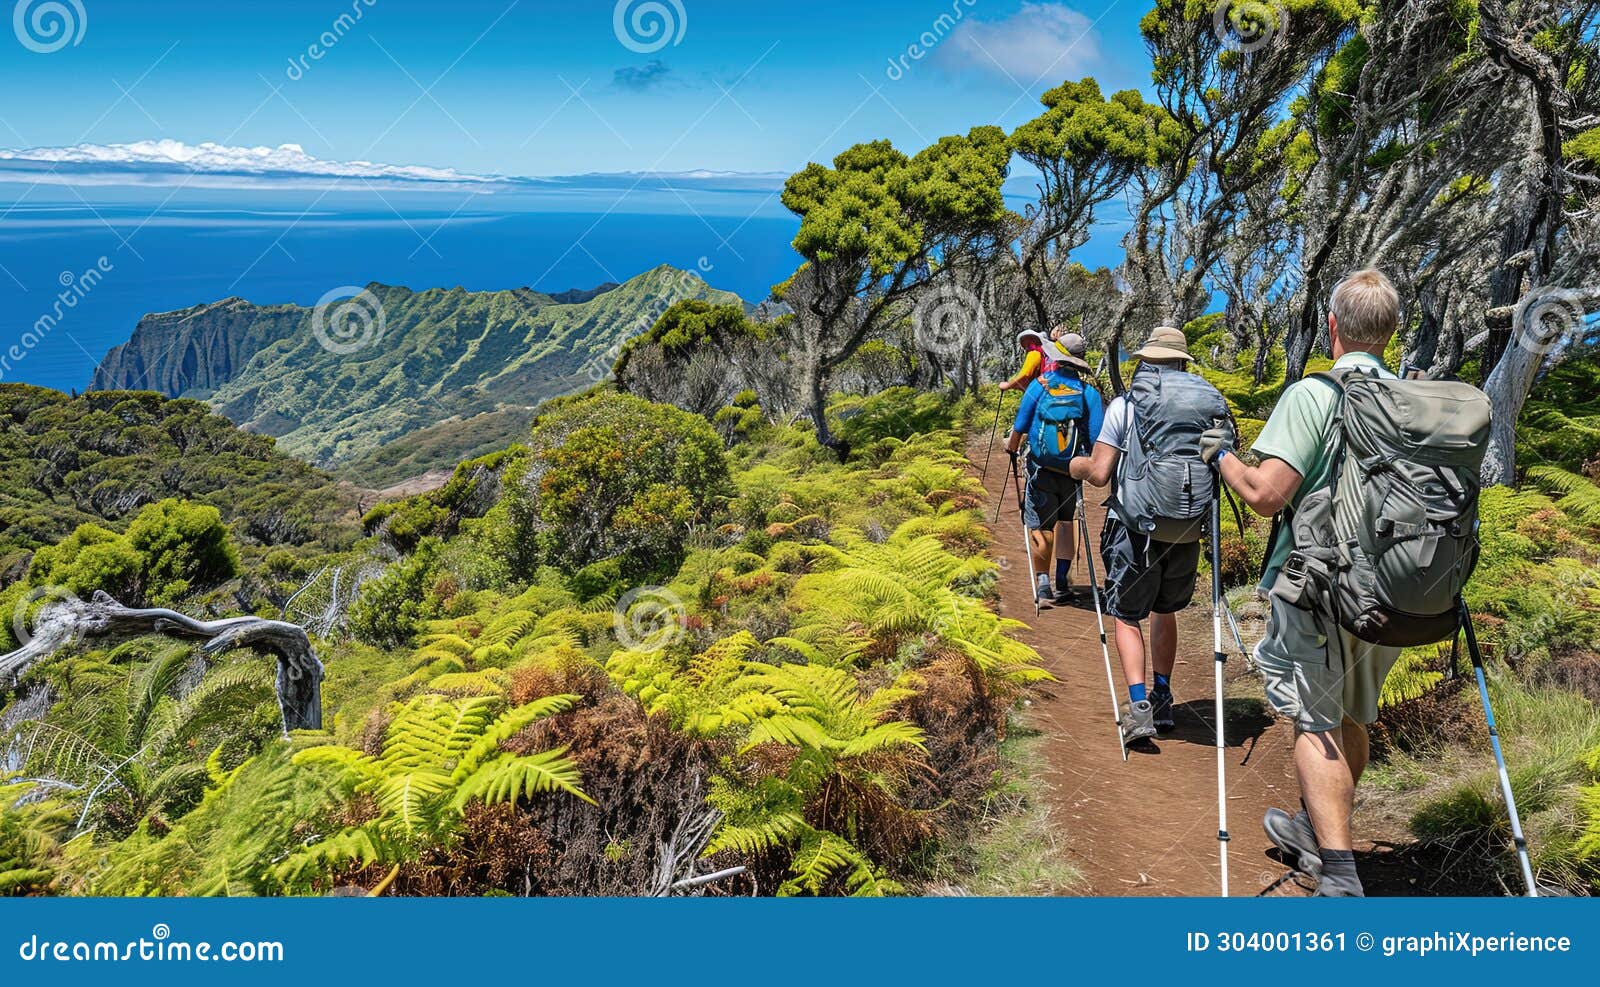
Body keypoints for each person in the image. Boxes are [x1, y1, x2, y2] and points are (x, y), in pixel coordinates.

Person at [1199, 269, 1406, 897]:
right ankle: (1315, 827)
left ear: (1333, 326)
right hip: (1392, 589)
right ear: (1391, 331)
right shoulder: (1413, 399)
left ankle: (1338, 873)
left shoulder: (1313, 394)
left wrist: (1222, 456)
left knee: (1316, 719)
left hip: (1319, 584)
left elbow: (1266, 495)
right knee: (1351, 714)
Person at [1068, 326, 1209, 742]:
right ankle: (1162, 696)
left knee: (1127, 615)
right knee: (1166, 611)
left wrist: (1075, 465)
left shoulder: (1125, 406)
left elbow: (1099, 474)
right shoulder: (1204, 409)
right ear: (1182, 364)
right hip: (1185, 531)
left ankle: (1138, 709)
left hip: (1135, 530)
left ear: (1147, 362)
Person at [1004, 333, 1104, 606]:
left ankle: (1044, 585)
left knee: (1041, 524)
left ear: (1056, 358)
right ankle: (1063, 583)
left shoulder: (1040, 386)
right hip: (1072, 471)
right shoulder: (1088, 393)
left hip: (1041, 469)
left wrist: (1011, 449)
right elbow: (1096, 438)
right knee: (1066, 523)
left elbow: (1020, 426)